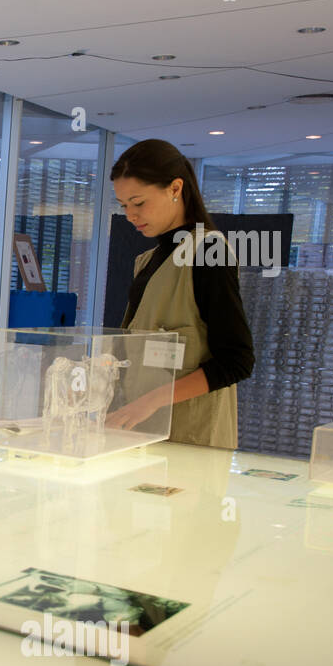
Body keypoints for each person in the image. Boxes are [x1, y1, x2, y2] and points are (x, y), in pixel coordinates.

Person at [105, 139, 254, 447]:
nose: (130, 215)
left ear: (175, 188)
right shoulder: (146, 262)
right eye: (124, 206)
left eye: (139, 202)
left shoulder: (209, 251)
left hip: (192, 437)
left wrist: (151, 401)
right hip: (143, 435)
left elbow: (237, 361)